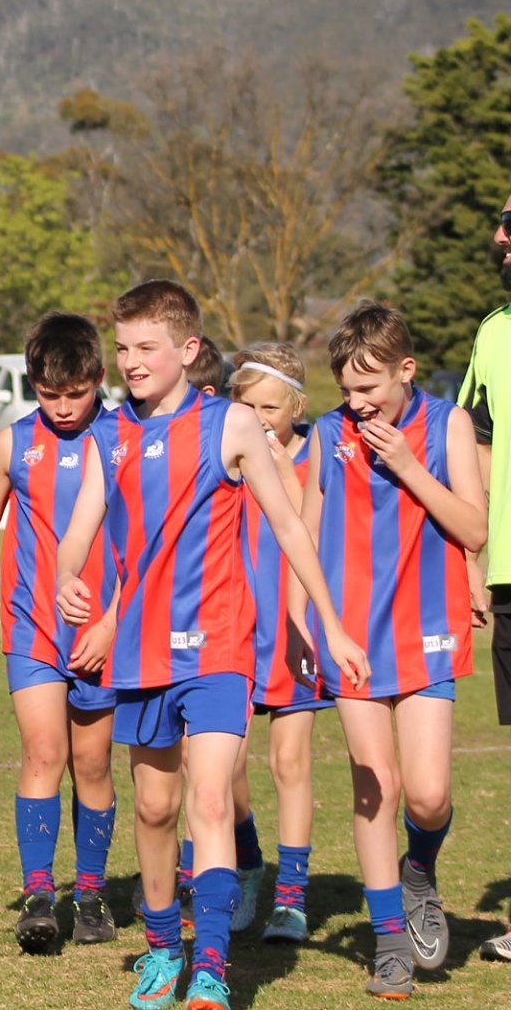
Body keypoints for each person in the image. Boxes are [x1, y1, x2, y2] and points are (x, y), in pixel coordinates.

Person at [55, 280, 368, 1010]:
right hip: (140, 651)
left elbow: (290, 526)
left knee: (209, 797)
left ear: (188, 348)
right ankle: (165, 949)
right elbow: (80, 530)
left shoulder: (231, 424)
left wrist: (332, 623)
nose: (131, 361)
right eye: (123, 348)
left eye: (147, 347)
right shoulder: (108, 432)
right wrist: (70, 576)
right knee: (154, 808)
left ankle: (213, 968)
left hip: (219, 647)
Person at [300, 303, 486, 999]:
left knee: (429, 795)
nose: (357, 402)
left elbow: (473, 529)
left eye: (370, 387)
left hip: (428, 628)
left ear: (406, 370)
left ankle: (420, 870)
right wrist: (307, 623)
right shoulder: (328, 433)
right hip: (351, 637)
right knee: (375, 783)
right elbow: (305, 538)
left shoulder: (448, 424)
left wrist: (407, 464)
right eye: (347, 389)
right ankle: (388, 945)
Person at [0, 311, 118, 952]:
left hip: (104, 632)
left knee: (93, 764)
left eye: (76, 393)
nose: (64, 407)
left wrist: (113, 621)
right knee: (44, 753)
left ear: (99, 378)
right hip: (33, 629)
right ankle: (39, 895)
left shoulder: (124, 439)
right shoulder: (11, 444)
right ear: (32, 385)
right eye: (50, 395)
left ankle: (93, 894)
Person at [225, 343, 324, 946]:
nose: (260, 418)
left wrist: (286, 472)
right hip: (233, 630)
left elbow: (315, 532)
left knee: (290, 763)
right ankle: (246, 862)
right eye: (248, 405)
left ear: (297, 408)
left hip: (294, 631)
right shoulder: (227, 453)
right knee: (223, 765)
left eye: (271, 407)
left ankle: (291, 898)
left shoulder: (317, 457)